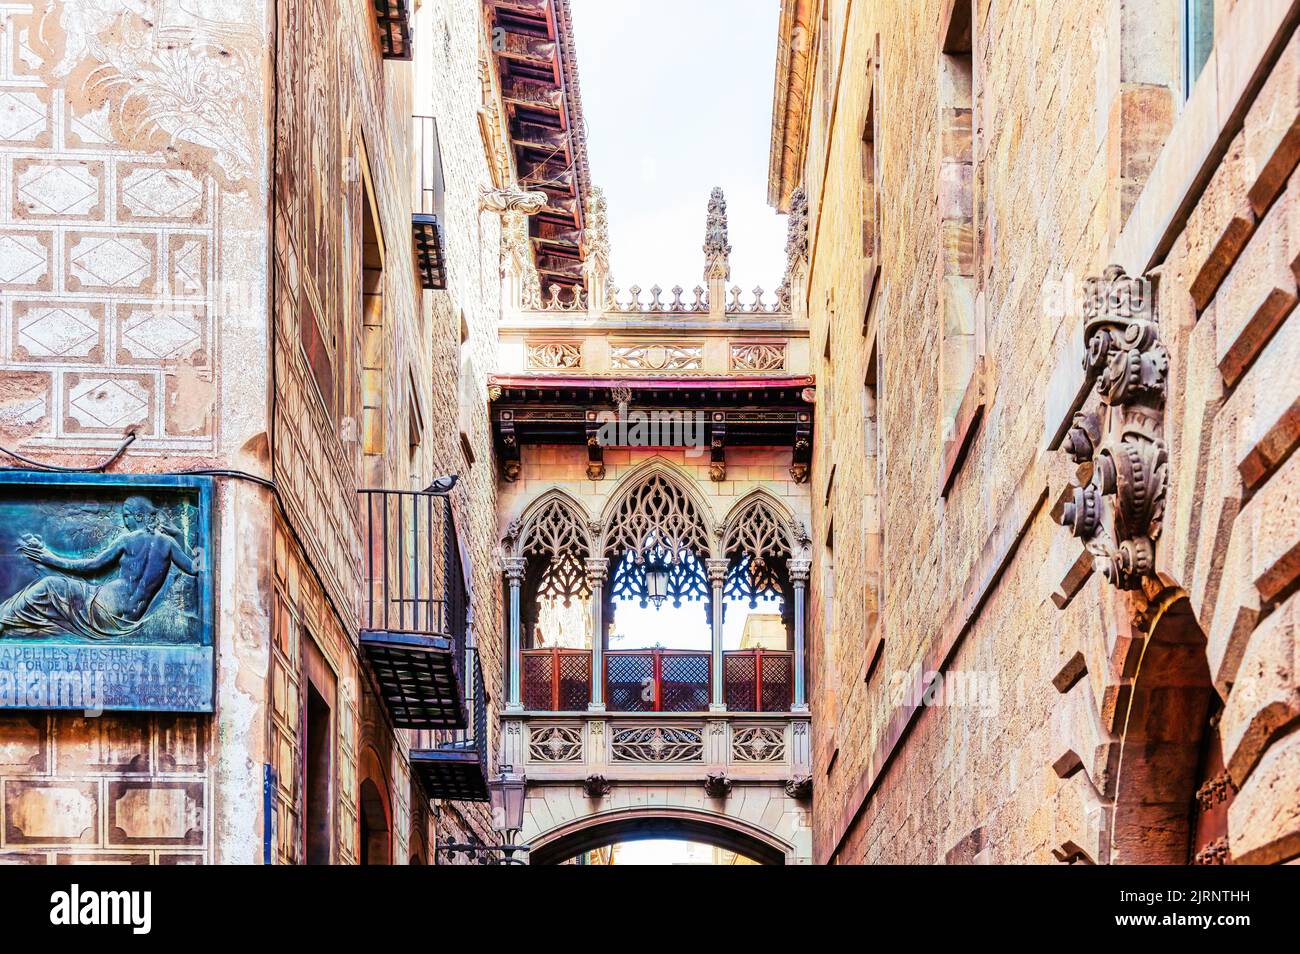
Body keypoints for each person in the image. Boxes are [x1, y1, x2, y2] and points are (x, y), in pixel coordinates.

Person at [0, 495, 199, 640]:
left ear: (139, 516)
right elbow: (192, 568)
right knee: (51, 617)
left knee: (49, 585)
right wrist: (179, 535)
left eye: (127, 515)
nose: (125, 520)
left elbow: (91, 565)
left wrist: (49, 558)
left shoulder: (127, 540)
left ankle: (3, 618)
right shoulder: (168, 544)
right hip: (125, 620)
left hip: (101, 605)